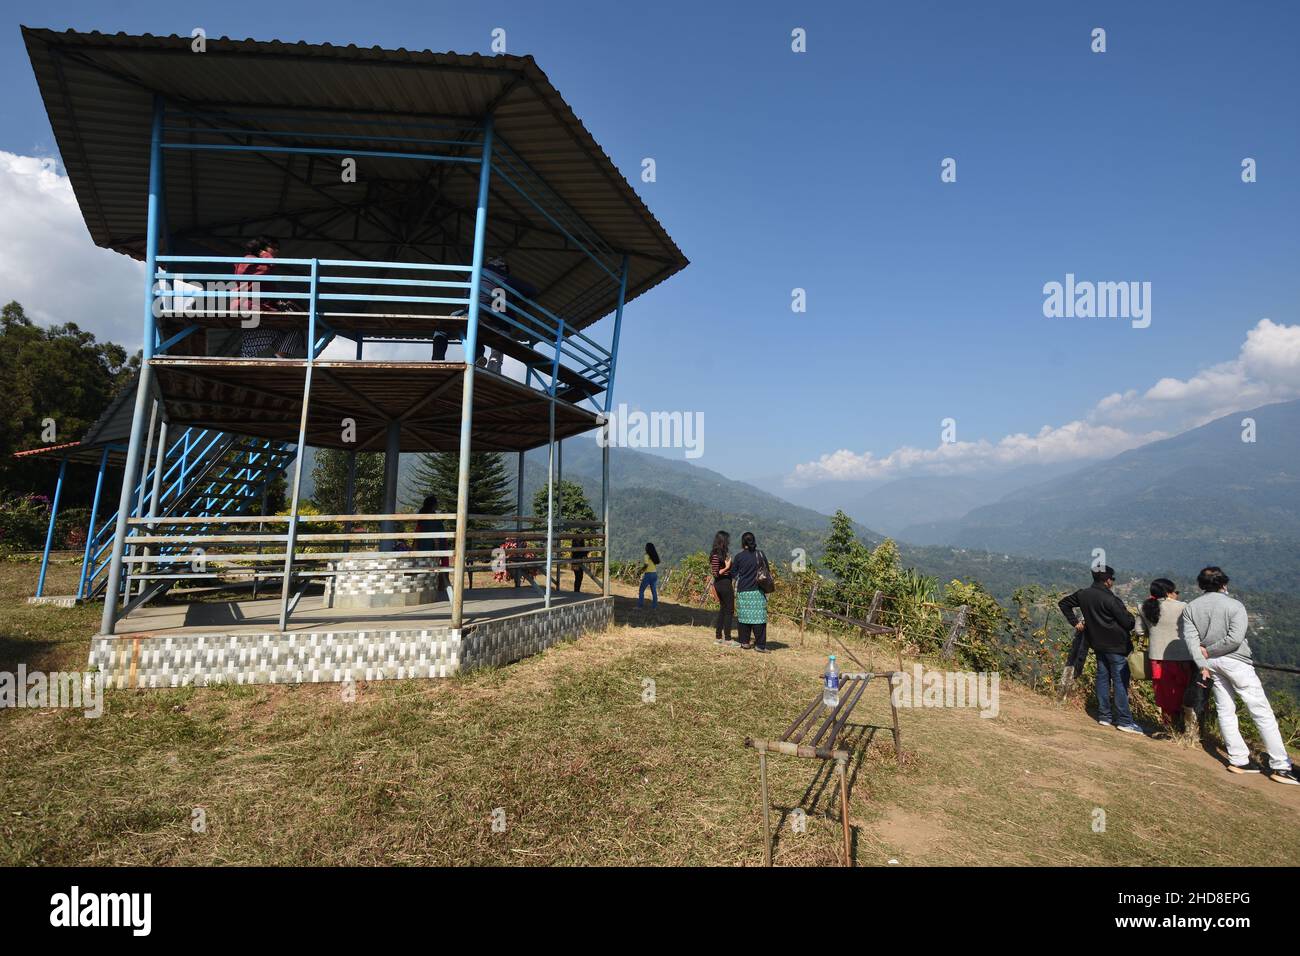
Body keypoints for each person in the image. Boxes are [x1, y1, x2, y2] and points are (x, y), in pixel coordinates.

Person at [1180, 567, 1297, 784]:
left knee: (1226, 710)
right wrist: (1212, 650)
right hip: (1236, 661)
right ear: (1224, 583)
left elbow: (1191, 640)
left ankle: (1239, 759)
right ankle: (1281, 765)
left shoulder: (1191, 608)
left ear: (1200, 585)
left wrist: (1203, 660)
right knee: (1261, 712)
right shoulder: (1235, 606)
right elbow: (1234, 639)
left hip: (1211, 664)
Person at [1058, 565, 1142, 734]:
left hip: (1097, 643)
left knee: (1102, 678)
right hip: (1117, 645)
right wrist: (1132, 617)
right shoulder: (1111, 600)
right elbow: (1128, 623)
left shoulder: (1084, 594)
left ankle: (1104, 716)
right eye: (1112, 579)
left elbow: (1064, 603)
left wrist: (1075, 622)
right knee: (1120, 681)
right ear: (1107, 580)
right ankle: (1124, 720)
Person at [431, 255, 539, 372]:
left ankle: (438, 359)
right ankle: (494, 370)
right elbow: (531, 291)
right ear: (504, 267)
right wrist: (513, 297)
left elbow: (467, 297)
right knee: (496, 348)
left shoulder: (476, 274)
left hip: (478, 316)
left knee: (446, 327)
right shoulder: (507, 279)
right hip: (502, 324)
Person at [1136, 578, 1193, 732]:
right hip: (1182, 656)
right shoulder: (1183, 607)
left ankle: (1168, 725)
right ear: (1169, 592)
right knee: (1182, 690)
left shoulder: (1143, 607)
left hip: (1157, 657)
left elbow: (1139, 631)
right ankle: (1185, 726)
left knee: (1163, 691)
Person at [236, 236, 305, 358]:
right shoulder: (250, 261)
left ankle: (278, 357)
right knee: (288, 330)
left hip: (261, 310)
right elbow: (259, 272)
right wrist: (265, 255)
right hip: (252, 306)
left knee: (296, 331)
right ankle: (275, 357)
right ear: (262, 249)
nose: (276, 251)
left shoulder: (258, 263)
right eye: (273, 247)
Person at [729, 532, 771, 653]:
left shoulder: (739, 556)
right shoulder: (760, 554)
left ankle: (745, 642)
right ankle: (760, 645)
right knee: (759, 619)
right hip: (758, 590)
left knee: (744, 618)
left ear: (743, 542)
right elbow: (767, 570)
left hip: (743, 591)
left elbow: (733, 573)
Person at [414, 494, 449, 599]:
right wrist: (437, 546)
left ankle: (439, 586)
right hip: (435, 543)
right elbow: (433, 531)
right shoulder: (431, 516)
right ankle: (442, 587)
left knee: (430, 564)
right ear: (433, 504)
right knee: (443, 565)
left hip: (425, 543)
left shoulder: (423, 514)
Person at [709, 531, 735, 645]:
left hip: (721, 583)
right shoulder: (716, 555)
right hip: (723, 584)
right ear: (723, 541)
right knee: (729, 610)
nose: (728, 542)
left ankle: (719, 637)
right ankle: (728, 638)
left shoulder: (721, 554)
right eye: (727, 539)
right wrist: (727, 567)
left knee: (723, 610)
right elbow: (715, 573)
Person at [637, 543, 659, 610]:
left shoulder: (646, 555)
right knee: (654, 591)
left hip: (648, 575)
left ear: (647, 548)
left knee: (641, 590)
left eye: (646, 547)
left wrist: (640, 571)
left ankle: (640, 606)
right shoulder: (654, 556)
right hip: (654, 574)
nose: (645, 548)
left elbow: (646, 565)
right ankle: (654, 607)